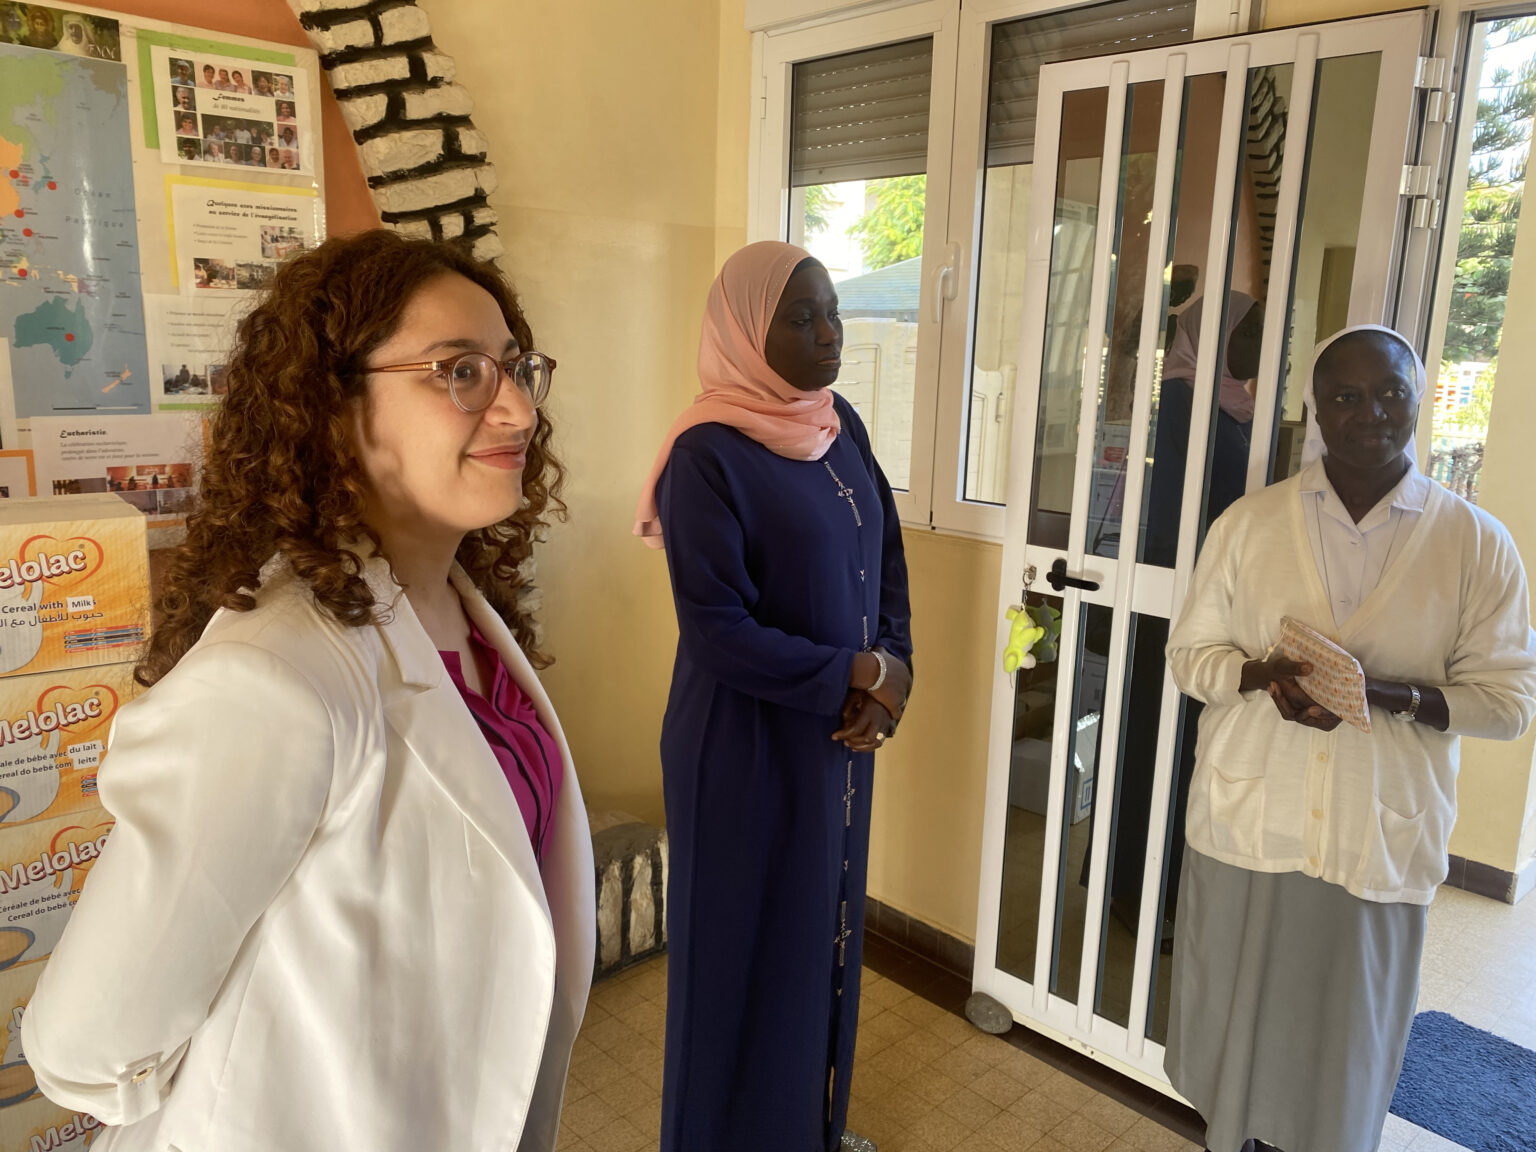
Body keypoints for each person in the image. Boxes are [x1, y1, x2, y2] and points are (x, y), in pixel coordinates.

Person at [22, 231, 594, 1152]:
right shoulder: (274, 680)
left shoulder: (464, 615)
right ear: (334, 410)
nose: (518, 408)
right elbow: (86, 1042)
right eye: (460, 371)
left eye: (517, 366)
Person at [1163, 325, 1536, 1152]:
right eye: (1346, 396)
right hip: (1252, 828)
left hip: (1376, 838)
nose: (1371, 413)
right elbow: (1190, 657)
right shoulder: (1250, 524)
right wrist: (1264, 676)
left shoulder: (1473, 544)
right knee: (1237, 1053)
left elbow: (1511, 701)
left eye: (1392, 393)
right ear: (1316, 410)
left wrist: (1393, 695)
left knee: (1344, 1062)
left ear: (1419, 399)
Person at [635, 241, 914, 1151]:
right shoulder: (705, 459)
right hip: (743, 746)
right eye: (799, 318)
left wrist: (890, 675)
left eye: (832, 311)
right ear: (745, 334)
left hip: (838, 738)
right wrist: (854, 675)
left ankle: (811, 1132)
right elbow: (716, 628)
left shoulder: (843, 426)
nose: (828, 334)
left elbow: (887, 563)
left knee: (823, 940)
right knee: (743, 960)